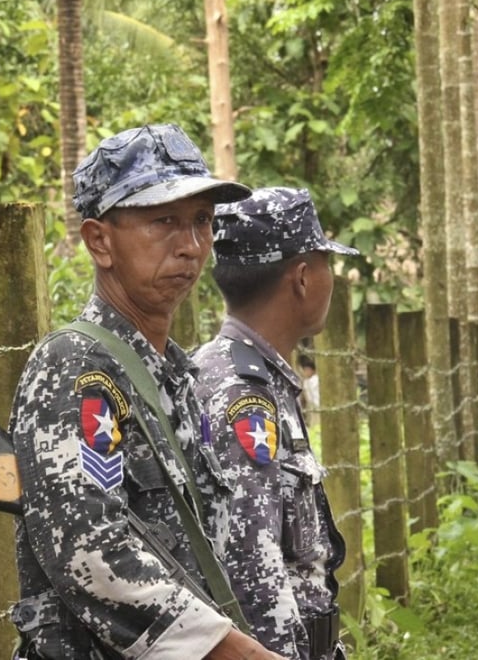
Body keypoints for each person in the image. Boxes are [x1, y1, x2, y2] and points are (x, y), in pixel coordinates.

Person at [8, 124, 279, 659]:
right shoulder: (77, 368)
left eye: (202, 220)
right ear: (99, 241)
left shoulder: (174, 375)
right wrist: (223, 648)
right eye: (164, 222)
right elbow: (90, 554)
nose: (191, 246)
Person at [194, 187, 356, 660]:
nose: (331, 279)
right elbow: (252, 573)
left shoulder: (242, 374)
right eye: (326, 264)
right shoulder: (243, 396)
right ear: (303, 278)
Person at [298, 354, 321, 427]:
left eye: (308, 370)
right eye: (305, 370)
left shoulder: (316, 379)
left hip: (318, 404)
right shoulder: (306, 382)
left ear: (313, 370)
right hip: (311, 405)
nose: (306, 372)